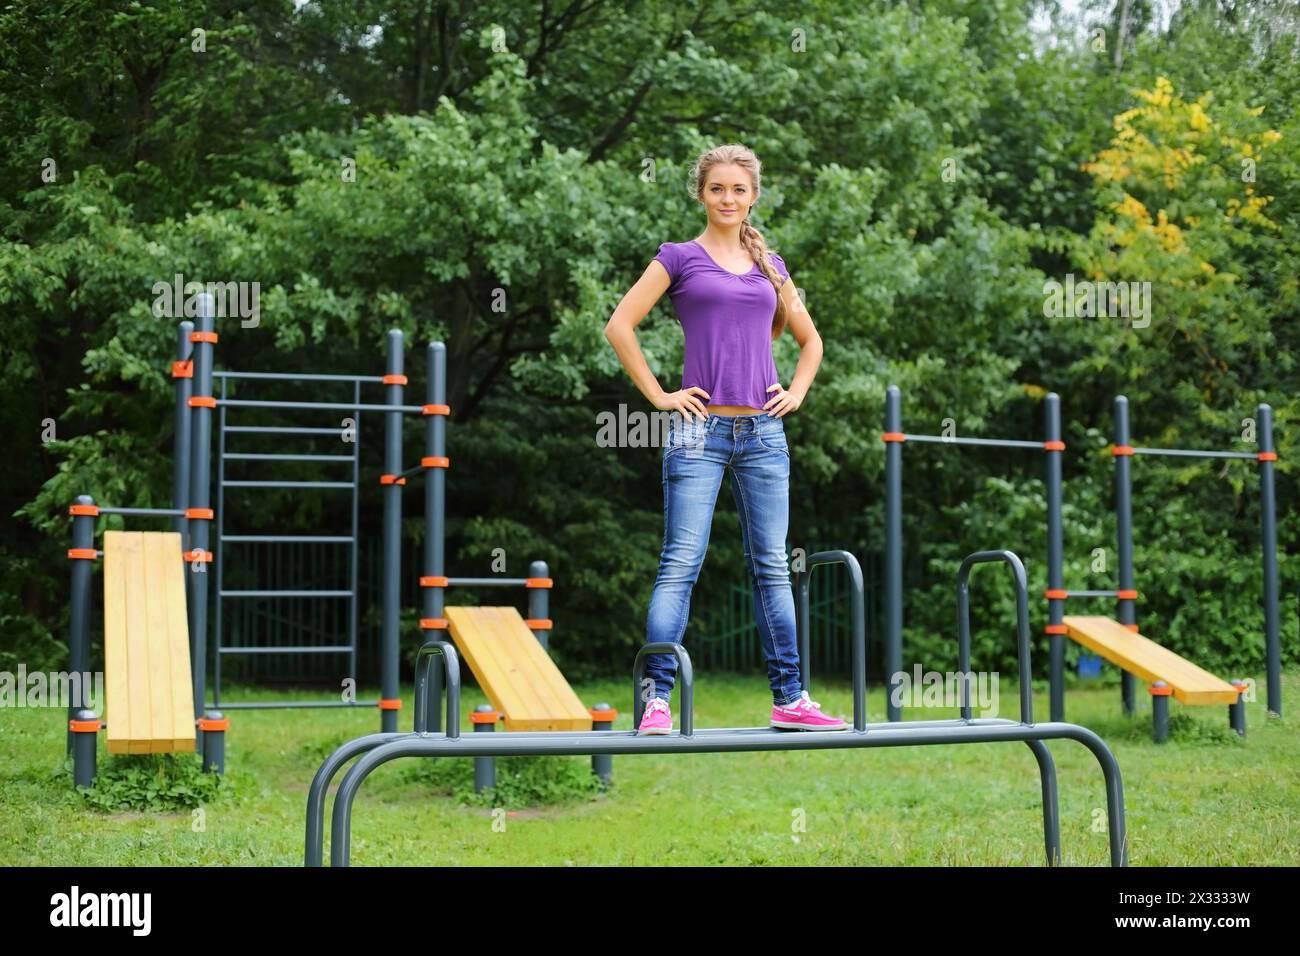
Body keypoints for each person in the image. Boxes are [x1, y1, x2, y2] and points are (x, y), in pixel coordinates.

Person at [603, 143, 847, 735]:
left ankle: (790, 699)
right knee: (680, 564)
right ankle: (656, 702)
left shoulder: (773, 266)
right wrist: (660, 396)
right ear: (701, 194)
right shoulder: (679, 258)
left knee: (771, 567)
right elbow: (618, 325)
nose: (728, 199)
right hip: (696, 430)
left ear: (753, 195)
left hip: (764, 432)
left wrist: (796, 391)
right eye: (718, 189)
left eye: (739, 189)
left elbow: (810, 341)